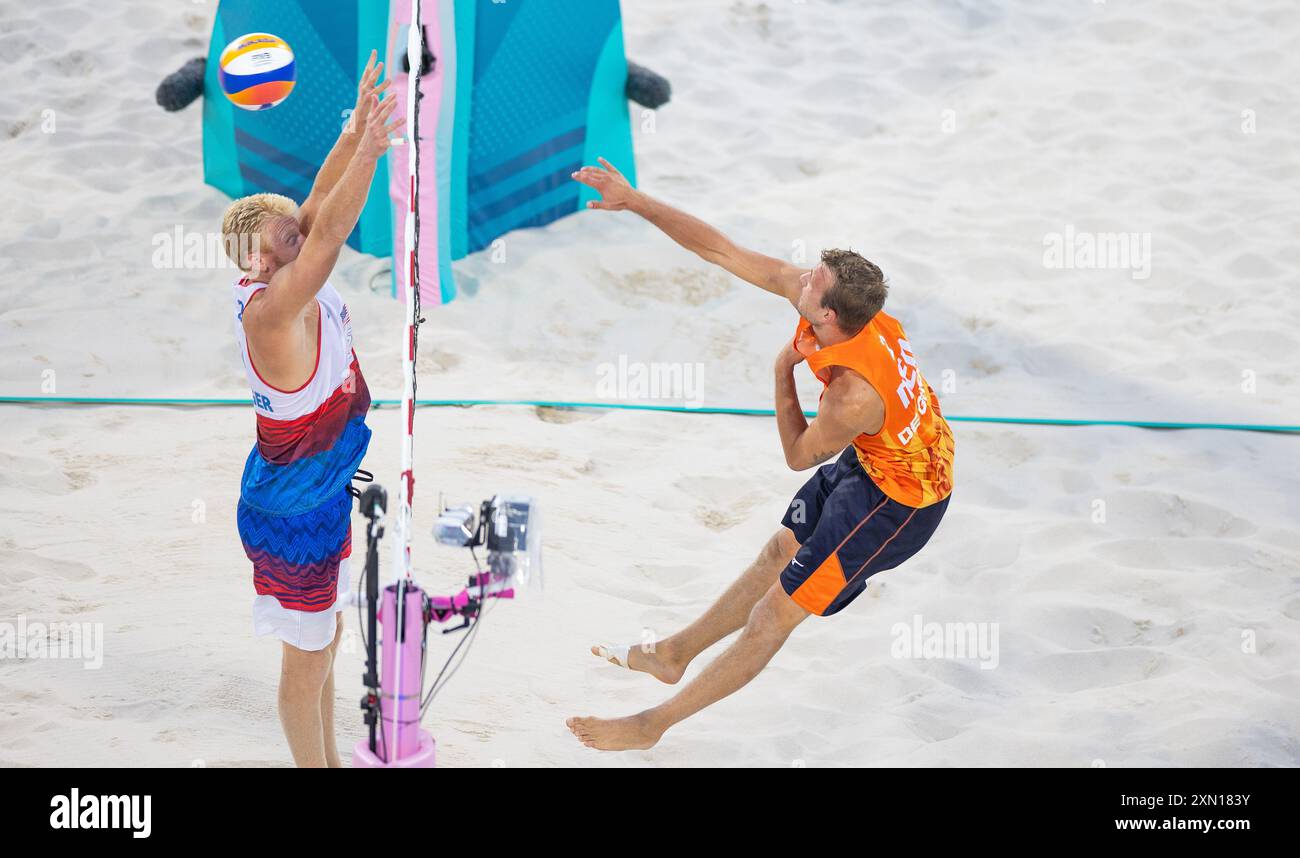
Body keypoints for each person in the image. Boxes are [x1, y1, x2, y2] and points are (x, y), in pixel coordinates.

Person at [565, 159, 955, 751]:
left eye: (810, 283)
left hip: (901, 501)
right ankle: (673, 654)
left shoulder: (852, 396)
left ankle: (653, 725)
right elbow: (722, 251)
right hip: (882, 457)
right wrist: (634, 200)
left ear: (827, 314)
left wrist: (781, 373)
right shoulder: (839, 314)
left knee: (773, 617)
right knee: (778, 549)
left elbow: (799, 455)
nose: (798, 280)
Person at [219, 53, 403, 767]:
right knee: (306, 662)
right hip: (292, 508)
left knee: (324, 643)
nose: (303, 230)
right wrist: (377, 154)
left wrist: (356, 128)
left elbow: (318, 207)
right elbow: (329, 231)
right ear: (259, 268)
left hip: (314, 489)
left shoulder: (281, 260)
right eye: (285, 239)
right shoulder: (272, 313)